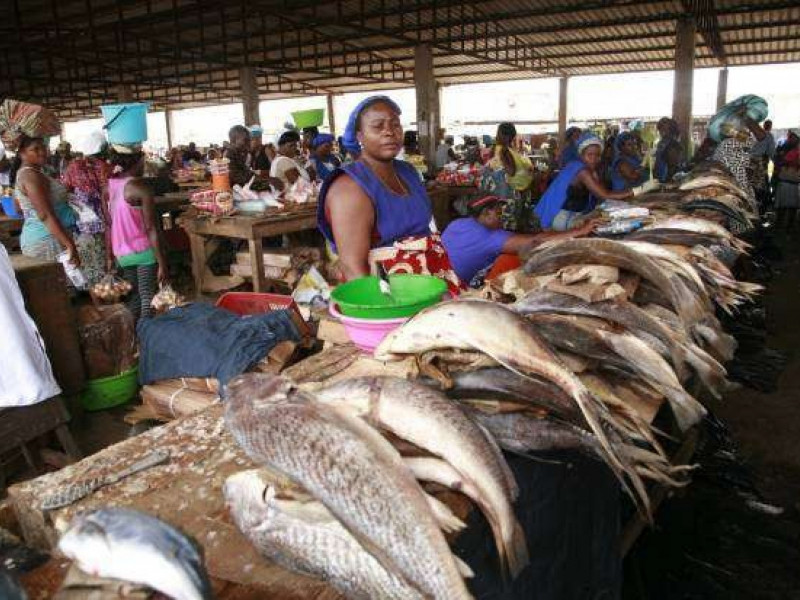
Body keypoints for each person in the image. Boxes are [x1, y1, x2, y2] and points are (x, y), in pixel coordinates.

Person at [317, 95, 461, 293]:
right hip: (388, 294)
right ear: (359, 136)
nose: (389, 132)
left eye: (395, 125)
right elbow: (353, 269)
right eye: (378, 126)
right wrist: (383, 313)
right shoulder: (349, 188)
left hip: (431, 283)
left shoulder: (408, 172)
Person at [442, 195, 596, 287]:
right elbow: (536, 242)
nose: (502, 216)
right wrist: (580, 231)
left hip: (442, 280)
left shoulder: (456, 224)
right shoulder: (493, 238)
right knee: (514, 256)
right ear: (487, 213)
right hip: (461, 289)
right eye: (499, 212)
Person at [535, 132, 645, 231]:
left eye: (597, 155)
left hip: (568, 215)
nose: (593, 159)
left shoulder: (582, 167)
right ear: (581, 154)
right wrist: (638, 190)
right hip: (561, 219)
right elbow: (605, 195)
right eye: (589, 155)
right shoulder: (581, 171)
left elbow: (600, 190)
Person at [106, 146, 168, 321]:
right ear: (139, 161)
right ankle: (146, 333)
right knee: (148, 296)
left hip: (121, 254)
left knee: (133, 298)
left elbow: (108, 225)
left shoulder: (109, 186)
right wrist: (162, 262)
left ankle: (134, 335)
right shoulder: (140, 187)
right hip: (143, 251)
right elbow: (151, 228)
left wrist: (109, 256)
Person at [13, 135, 83, 268]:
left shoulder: (32, 173)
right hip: (46, 241)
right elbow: (44, 215)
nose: (42, 152)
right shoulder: (29, 175)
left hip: (48, 238)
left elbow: (18, 207)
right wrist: (69, 244)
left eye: (43, 147)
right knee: (58, 285)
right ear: (21, 154)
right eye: (35, 149)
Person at [61, 131, 112, 286]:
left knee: (89, 266)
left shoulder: (72, 167)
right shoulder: (105, 168)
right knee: (107, 262)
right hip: (106, 223)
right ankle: (113, 297)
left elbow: (65, 191)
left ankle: (98, 301)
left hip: (82, 226)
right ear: (102, 149)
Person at [481, 122, 535, 232]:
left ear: (503, 135)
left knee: (505, 226)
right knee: (503, 225)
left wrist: (502, 159)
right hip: (502, 196)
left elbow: (511, 171)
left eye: (498, 132)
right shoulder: (500, 149)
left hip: (505, 196)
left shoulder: (504, 151)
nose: (496, 135)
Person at [711, 110, 767, 213]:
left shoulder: (725, 145)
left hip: (733, 195)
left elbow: (761, 137)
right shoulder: (730, 143)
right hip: (735, 196)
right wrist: (745, 117)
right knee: (742, 224)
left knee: (741, 223)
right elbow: (761, 136)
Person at [226, 125, 283, 190]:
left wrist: (267, 179)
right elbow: (238, 177)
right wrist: (267, 180)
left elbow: (247, 173)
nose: (248, 143)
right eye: (246, 140)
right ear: (234, 140)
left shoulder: (240, 153)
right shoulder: (229, 154)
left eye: (249, 140)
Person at [773, 131, 800, 230]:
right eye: (790, 138)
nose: (792, 140)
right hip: (783, 182)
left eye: (794, 139)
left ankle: (789, 227)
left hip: (793, 183)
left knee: (792, 208)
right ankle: (778, 226)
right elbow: (777, 163)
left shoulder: (798, 152)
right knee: (782, 207)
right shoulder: (783, 150)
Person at [750, 119, 776, 212]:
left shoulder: (753, 134)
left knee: (750, 184)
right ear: (770, 126)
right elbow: (772, 152)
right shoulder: (769, 136)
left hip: (749, 161)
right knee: (759, 185)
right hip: (760, 161)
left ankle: (752, 205)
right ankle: (758, 208)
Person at [653, 118, 686, 183]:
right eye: (660, 129)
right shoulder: (662, 142)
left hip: (669, 178)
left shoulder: (673, 144)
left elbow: (674, 163)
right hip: (662, 177)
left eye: (665, 130)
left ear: (672, 130)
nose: (662, 132)